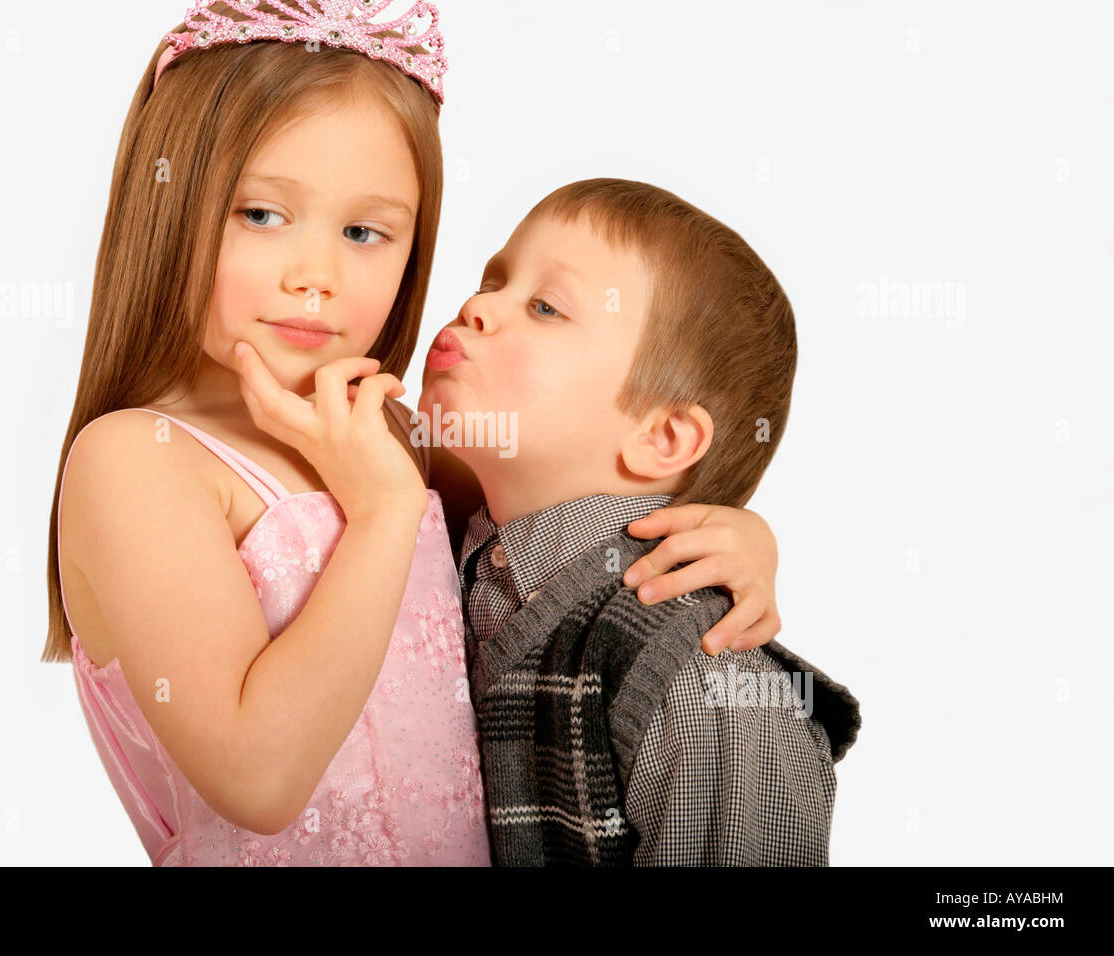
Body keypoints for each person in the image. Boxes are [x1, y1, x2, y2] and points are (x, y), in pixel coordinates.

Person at [44, 1, 785, 866]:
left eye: (364, 232)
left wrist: (738, 532)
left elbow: (561, 517)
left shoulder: (397, 436)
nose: (315, 275)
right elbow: (259, 778)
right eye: (261, 215)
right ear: (164, 208)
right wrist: (388, 511)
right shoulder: (138, 461)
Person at [412, 178, 863, 865]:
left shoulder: (700, 676)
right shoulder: (444, 542)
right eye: (491, 280)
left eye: (544, 307)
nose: (476, 305)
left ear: (664, 439)